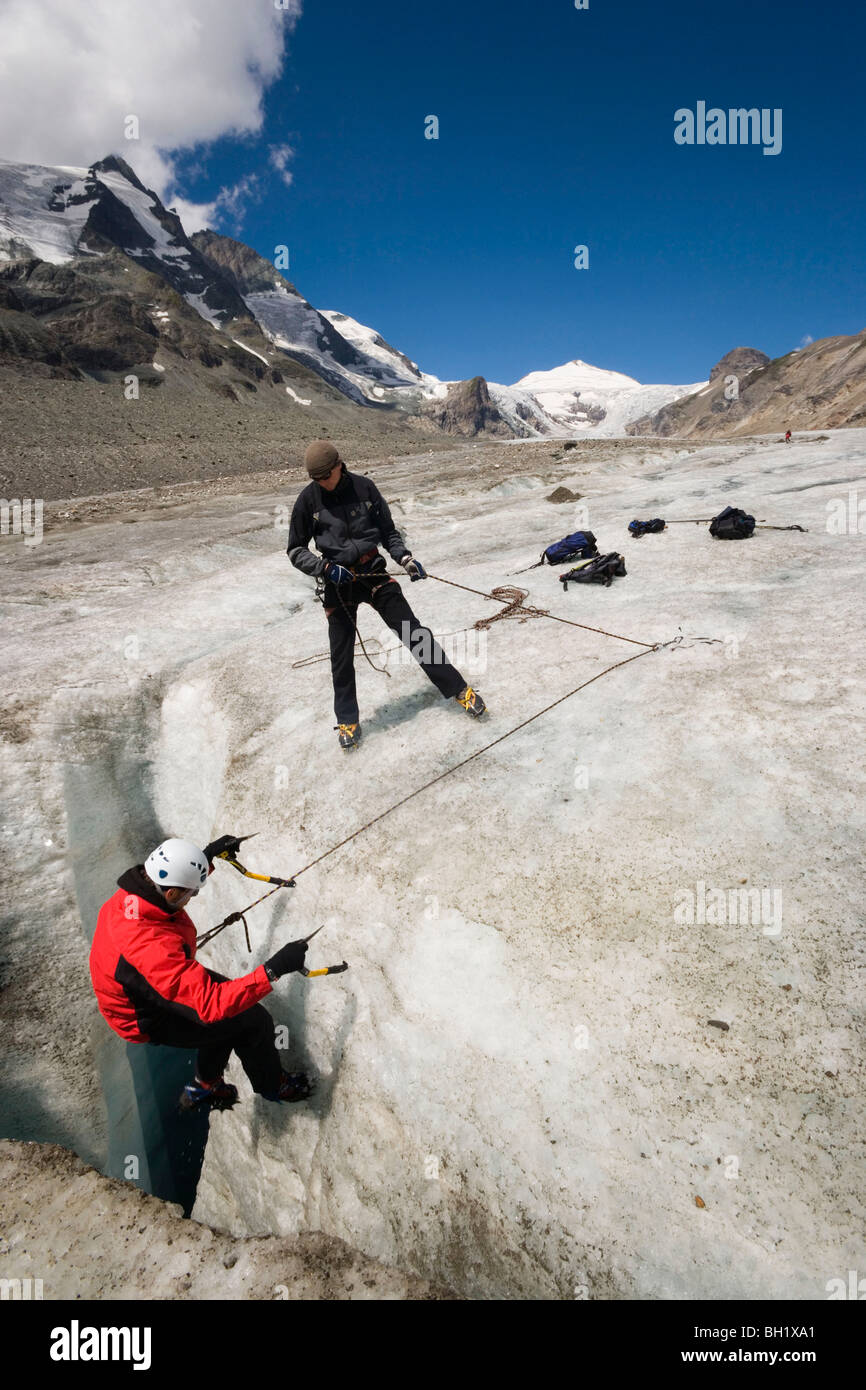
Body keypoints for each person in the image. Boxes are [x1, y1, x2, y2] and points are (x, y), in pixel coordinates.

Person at [89, 835, 314, 1109]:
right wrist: (273, 969)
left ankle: (205, 1086)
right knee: (252, 1022)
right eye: (192, 892)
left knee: (228, 1017)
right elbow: (210, 1005)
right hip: (146, 1015)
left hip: (145, 985)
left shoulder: (135, 894)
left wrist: (204, 860)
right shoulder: (149, 946)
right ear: (171, 892)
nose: (193, 897)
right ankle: (274, 1086)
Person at [287, 440, 486, 749]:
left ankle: (459, 689)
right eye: (317, 479)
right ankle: (347, 719)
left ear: (340, 465)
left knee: (414, 632)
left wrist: (404, 558)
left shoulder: (365, 489)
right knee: (341, 654)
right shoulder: (308, 501)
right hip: (338, 580)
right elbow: (296, 549)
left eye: (327, 475)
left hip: (373, 572)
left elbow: (388, 531)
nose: (323, 483)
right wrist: (323, 568)